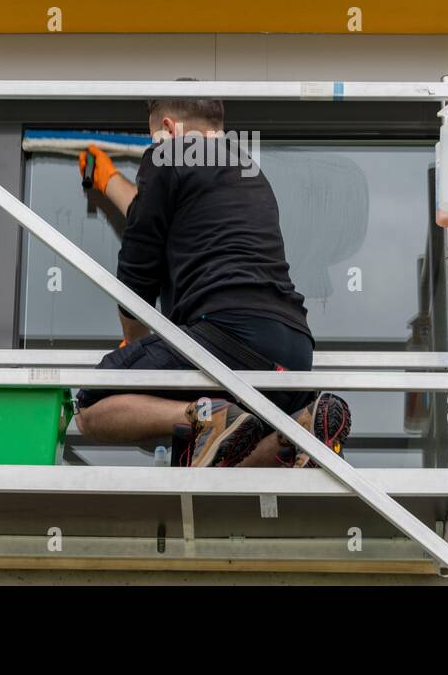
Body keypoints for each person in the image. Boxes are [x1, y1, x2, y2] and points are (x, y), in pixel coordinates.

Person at [73, 89, 351, 467]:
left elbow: (137, 268)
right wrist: (108, 180)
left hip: (225, 333)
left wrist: (134, 341)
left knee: (92, 404)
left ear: (169, 129)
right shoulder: (249, 171)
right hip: (293, 349)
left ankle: (205, 415)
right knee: (221, 455)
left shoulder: (168, 153)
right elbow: (149, 211)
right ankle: (304, 426)